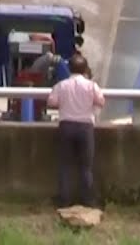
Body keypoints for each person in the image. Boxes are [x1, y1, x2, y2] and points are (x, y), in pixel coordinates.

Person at [47, 54, 104, 208]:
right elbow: (101, 101)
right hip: (85, 126)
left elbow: (51, 102)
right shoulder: (91, 85)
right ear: (85, 69)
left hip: (66, 126)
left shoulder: (61, 85)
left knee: (65, 164)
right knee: (86, 166)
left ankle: (64, 199)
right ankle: (88, 199)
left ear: (69, 68)